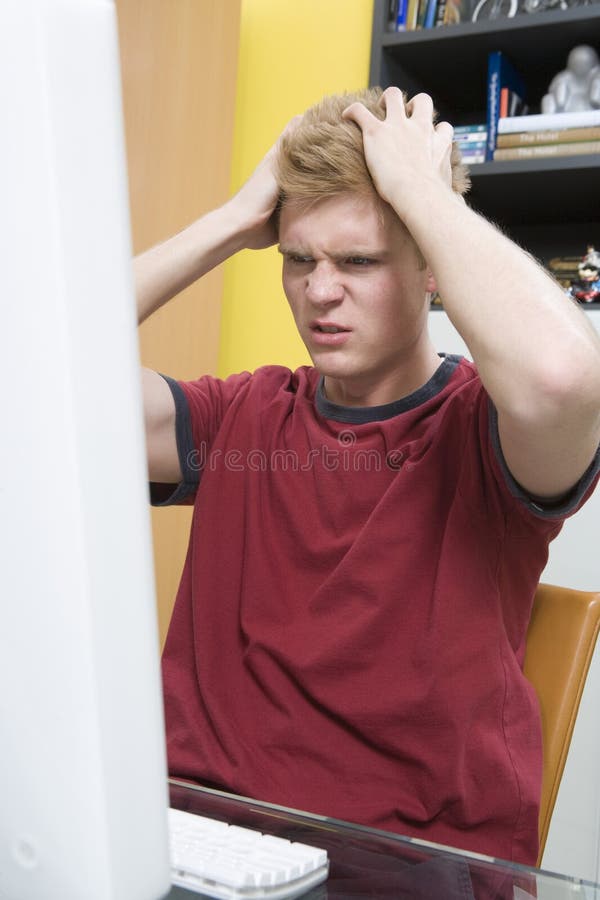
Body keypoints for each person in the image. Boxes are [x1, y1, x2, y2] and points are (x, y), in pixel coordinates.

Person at [136, 87, 600, 866]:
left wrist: (424, 195)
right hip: (196, 845)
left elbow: (564, 379)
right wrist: (232, 221)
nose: (320, 292)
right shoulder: (238, 422)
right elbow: (29, 368)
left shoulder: (484, 431)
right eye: (298, 259)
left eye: (359, 261)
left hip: (400, 868)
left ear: (432, 267)